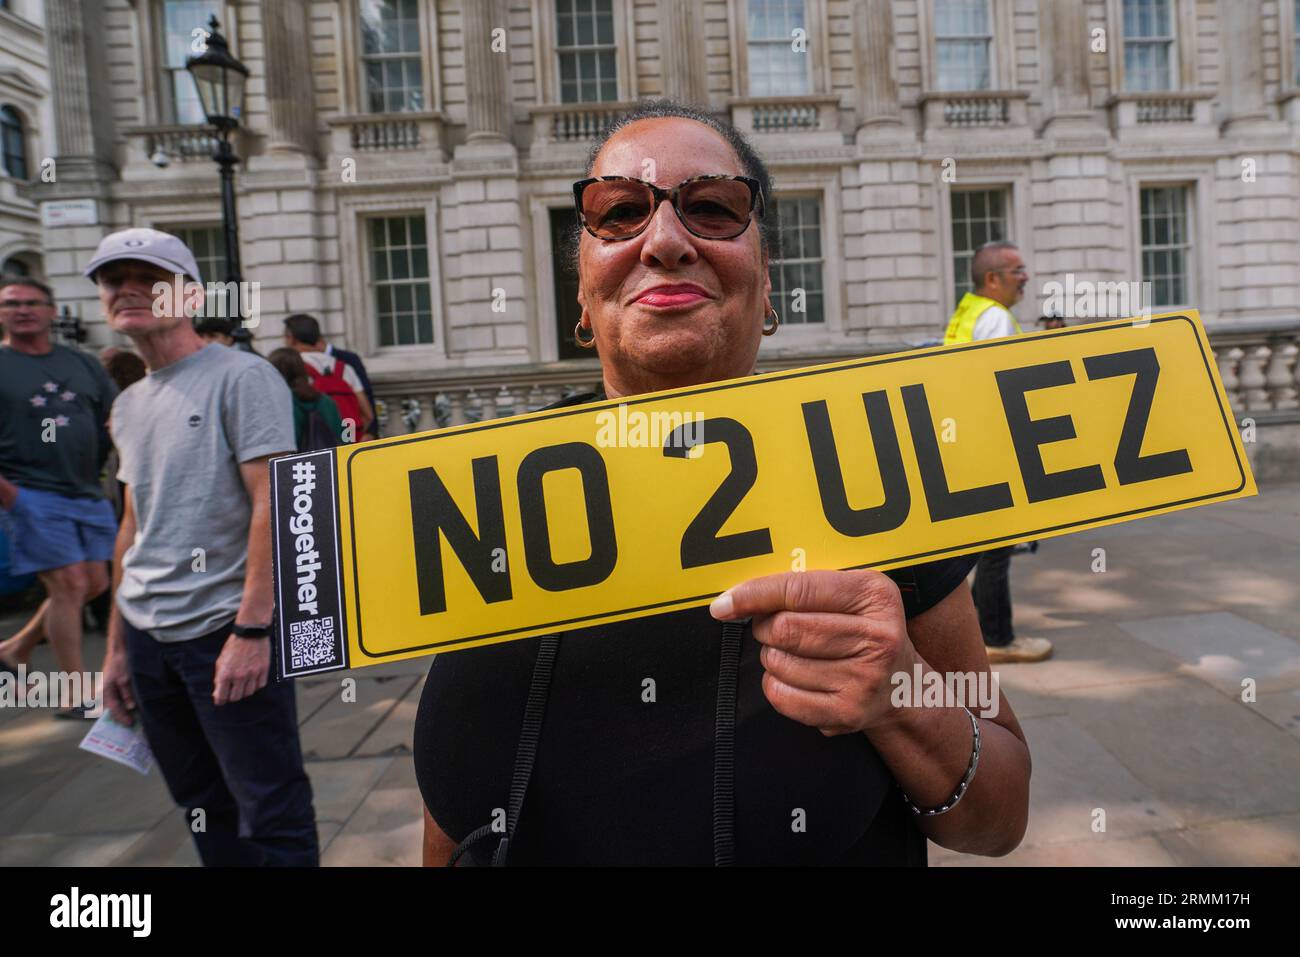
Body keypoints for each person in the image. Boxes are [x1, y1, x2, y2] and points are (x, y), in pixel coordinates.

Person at [415, 102, 1032, 867]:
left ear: (767, 281)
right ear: (582, 288)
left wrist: (902, 693)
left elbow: (999, 817)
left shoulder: (873, 467)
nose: (666, 240)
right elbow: (449, 813)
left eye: (712, 207)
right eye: (620, 213)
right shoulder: (487, 492)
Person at [89, 227, 319, 866]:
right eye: (113, 280)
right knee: (199, 801)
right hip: (145, 635)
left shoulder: (243, 377)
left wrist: (253, 630)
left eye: (149, 278)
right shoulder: (129, 403)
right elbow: (132, 526)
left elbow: (273, 502)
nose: (127, 290)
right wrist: (113, 650)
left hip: (224, 629)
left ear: (187, 294)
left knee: (268, 804)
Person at [0, 277, 117, 717]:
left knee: (95, 584)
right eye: (12, 304)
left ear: (52, 311)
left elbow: (113, 414)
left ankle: (15, 647)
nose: (23, 310)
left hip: (86, 490)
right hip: (30, 493)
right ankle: (75, 696)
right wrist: (11, 495)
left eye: (32, 302)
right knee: (68, 584)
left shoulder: (82, 364)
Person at [940, 241, 1053, 665]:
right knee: (996, 549)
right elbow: (1005, 386)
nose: (1025, 277)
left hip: (966, 441)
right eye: (1017, 271)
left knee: (988, 548)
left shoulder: (969, 313)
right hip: (991, 446)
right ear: (992, 279)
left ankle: (976, 630)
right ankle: (997, 638)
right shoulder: (996, 320)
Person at [282, 314, 376, 440]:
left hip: (314, 449)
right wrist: (348, 438)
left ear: (291, 339)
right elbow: (368, 415)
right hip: (348, 445)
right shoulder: (344, 368)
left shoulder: (292, 367)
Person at [268, 347, 344, 451]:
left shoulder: (280, 404)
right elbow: (342, 437)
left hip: (296, 465)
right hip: (331, 462)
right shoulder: (327, 401)